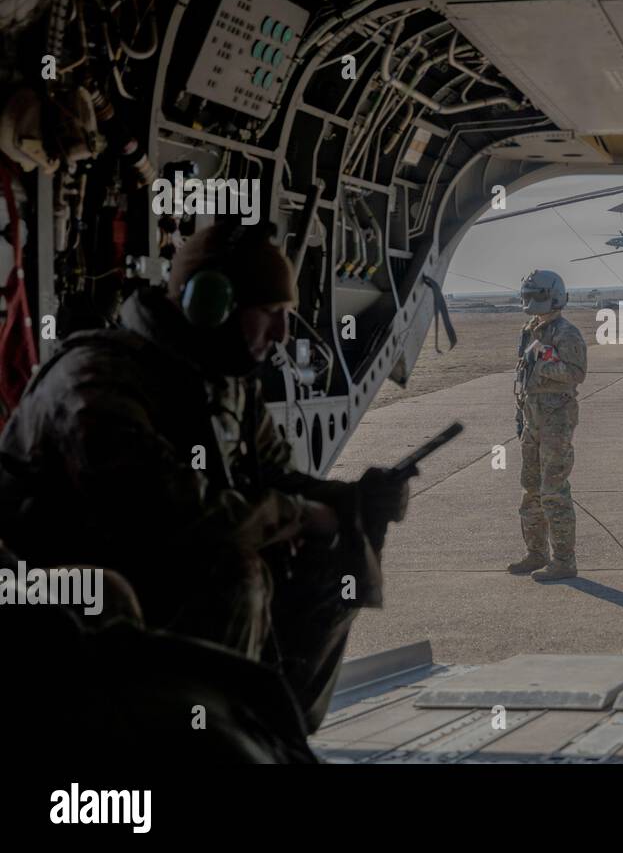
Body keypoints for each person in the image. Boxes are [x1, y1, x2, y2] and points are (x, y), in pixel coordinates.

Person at [0, 220, 410, 729]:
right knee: (230, 571)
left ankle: (271, 731)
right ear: (210, 304)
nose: (282, 335)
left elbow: (276, 477)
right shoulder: (97, 380)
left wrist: (354, 499)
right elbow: (175, 519)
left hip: (144, 570)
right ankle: (197, 737)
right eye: (270, 314)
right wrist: (301, 514)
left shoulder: (225, 384)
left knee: (342, 547)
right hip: (50, 592)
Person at [509, 269, 587, 581]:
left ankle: (564, 561)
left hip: (557, 418)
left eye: (536, 296)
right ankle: (536, 553)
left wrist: (543, 361)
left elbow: (576, 372)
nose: (530, 302)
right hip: (532, 416)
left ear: (553, 296)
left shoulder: (566, 333)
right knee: (531, 489)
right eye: (527, 296)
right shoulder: (530, 330)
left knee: (553, 490)